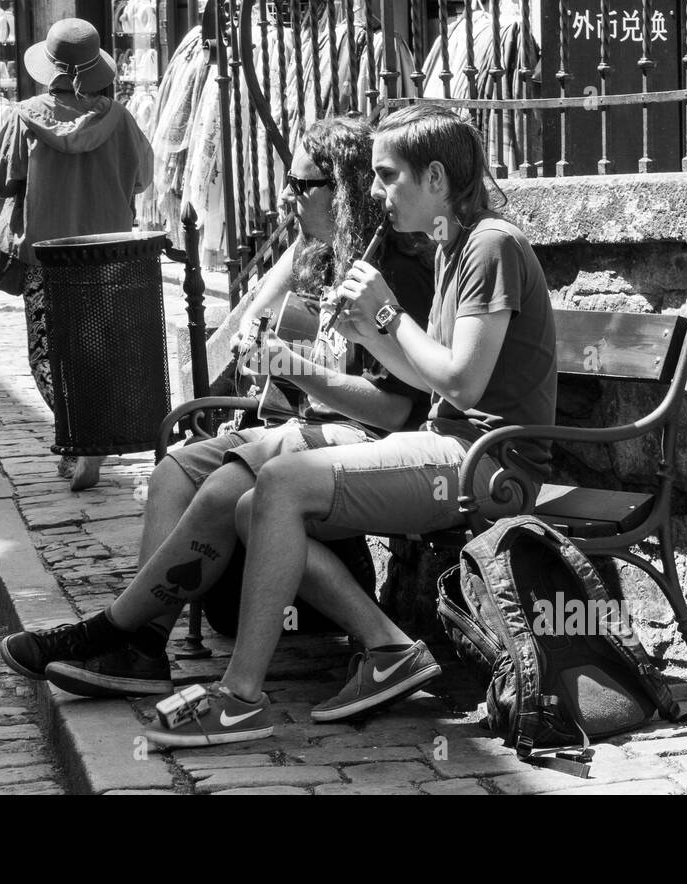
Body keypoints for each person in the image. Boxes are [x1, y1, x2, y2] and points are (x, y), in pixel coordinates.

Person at [144, 103, 559, 747]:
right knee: (255, 507)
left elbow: (461, 383)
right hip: (447, 447)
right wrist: (367, 328)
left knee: (278, 484)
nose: (373, 191)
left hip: (486, 463)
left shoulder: (492, 246)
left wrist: (389, 318)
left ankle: (239, 699)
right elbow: (423, 378)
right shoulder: (453, 244)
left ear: (437, 179)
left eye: (387, 175)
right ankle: (389, 649)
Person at [0, 115, 435, 697]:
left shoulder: (390, 272)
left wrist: (292, 367)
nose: (286, 196)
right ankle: (144, 646)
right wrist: (271, 329)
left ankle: (113, 631)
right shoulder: (319, 254)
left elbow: (397, 412)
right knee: (174, 471)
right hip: (302, 429)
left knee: (232, 489)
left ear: (343, 189)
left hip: (364, 439)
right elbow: (258, 313)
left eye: (302, 186)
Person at [0, 18, 154, 491]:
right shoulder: (119, 118)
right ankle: (91, 433)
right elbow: (142, 179)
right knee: (97, 347)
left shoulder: (25, 115)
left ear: (51, 68)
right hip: (107, 256)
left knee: (48, 352)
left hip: (46, 255)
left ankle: (81, 435)